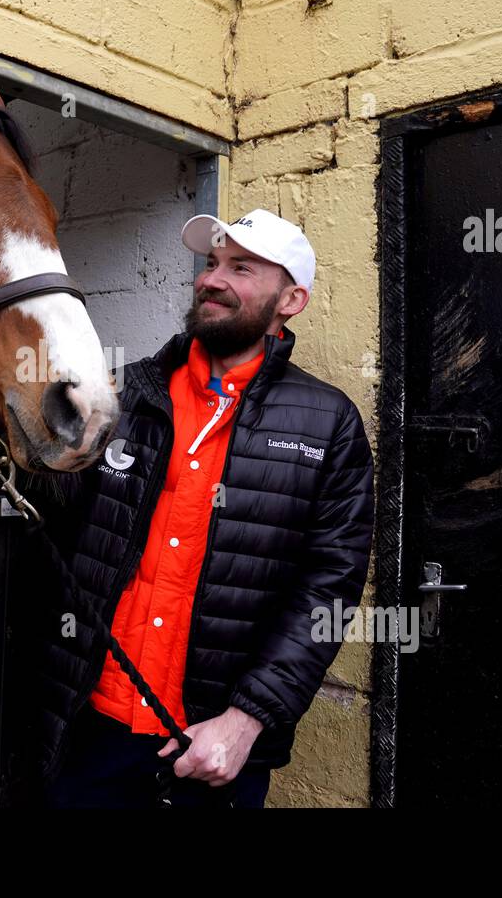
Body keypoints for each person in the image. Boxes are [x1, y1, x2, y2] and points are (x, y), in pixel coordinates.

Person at [32, 209, 376, 808]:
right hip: (90, 725)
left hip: (210, 745)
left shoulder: (329, 423)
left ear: (291, 300)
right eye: (211, 263)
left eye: (240, 268)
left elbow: (327, 588)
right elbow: (49, 516)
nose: (211, 280)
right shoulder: (121, 393)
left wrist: (246, 719)